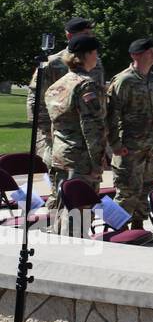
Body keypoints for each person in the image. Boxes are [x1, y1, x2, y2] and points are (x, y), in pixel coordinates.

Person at [43, 35, 107, 236]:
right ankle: (77, 254)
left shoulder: (58, 85)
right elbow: (92, 127)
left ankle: (62, 253)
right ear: (86, 55)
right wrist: (97, 161)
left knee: (63, 207)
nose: (96, 57)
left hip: (60, 154)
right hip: (81, 158)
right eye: (95, 52)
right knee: (79, 212)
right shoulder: (86, 85)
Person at [28, 16, 104, 167]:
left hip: (89, 138)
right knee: (63, 183)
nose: (89, 37)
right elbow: (35, 101)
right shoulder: (52, 63)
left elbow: (99, 97)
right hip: (61, 139)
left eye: (90, 34)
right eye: (85, 34)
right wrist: (49, 132)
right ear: (69, 35)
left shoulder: (96, 63)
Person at [105, 38, 153, 231]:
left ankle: (138, 230)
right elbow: (112, 114)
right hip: (128, 148)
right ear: (136, 55)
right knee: (127, 192)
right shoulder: (124, 80)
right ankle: (117, 231)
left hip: (150, 147)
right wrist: (115, 143)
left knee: (146, 189)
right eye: (150, 53)